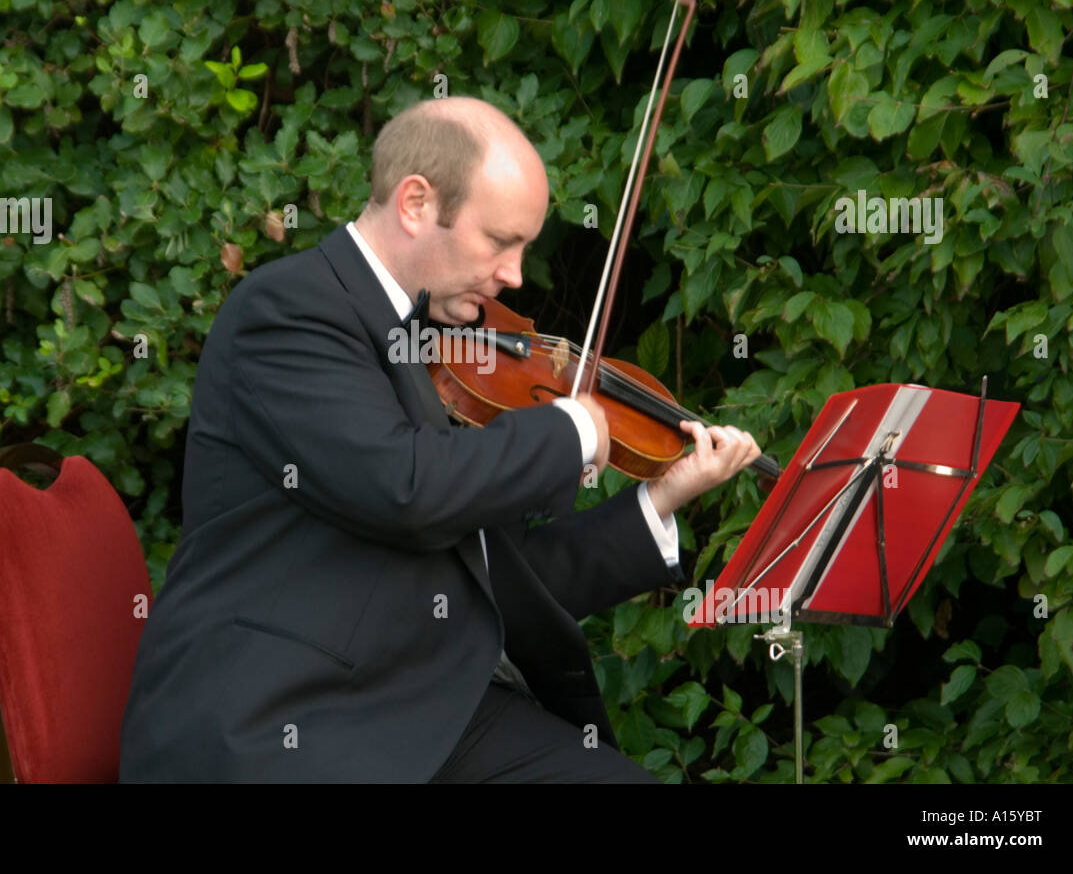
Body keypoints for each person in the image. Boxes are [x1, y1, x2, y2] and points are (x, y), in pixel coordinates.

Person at [119, 96, 761, 782]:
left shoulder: (425, 341)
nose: (514, 275)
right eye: (500, 241)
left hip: (417, 706)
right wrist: (572, 427)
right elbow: (407, 487)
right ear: (416, 203)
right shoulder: (287, 313)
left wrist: (660, 498)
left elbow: (484, 575)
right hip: (283, 722)